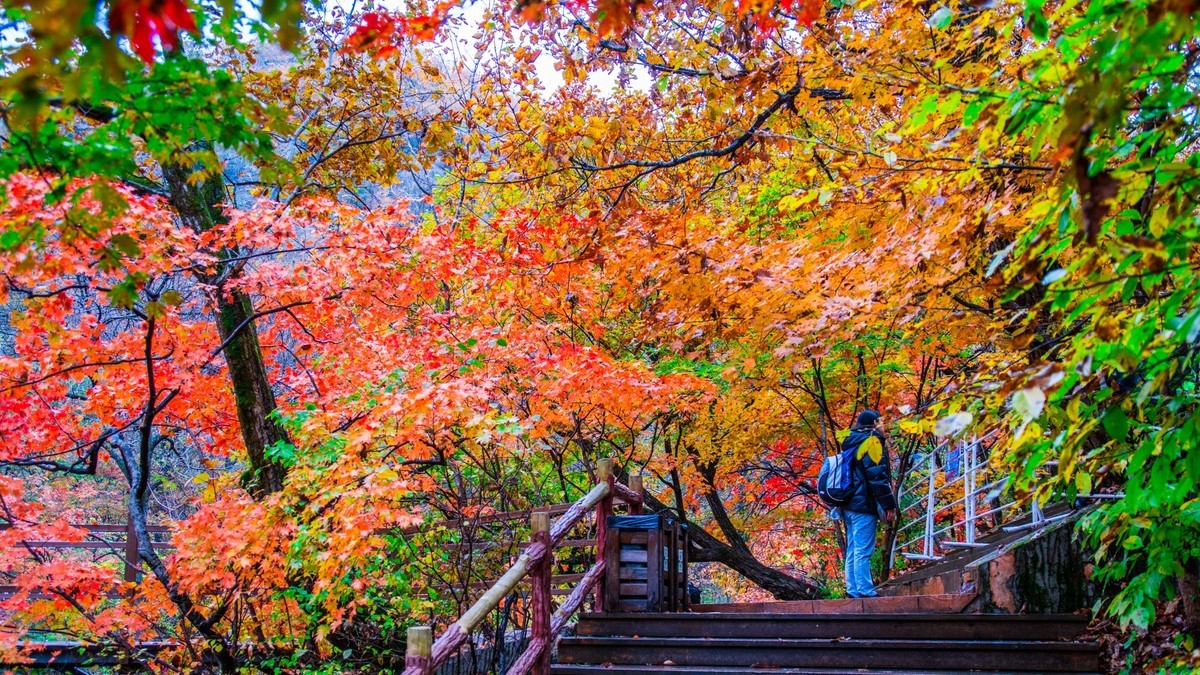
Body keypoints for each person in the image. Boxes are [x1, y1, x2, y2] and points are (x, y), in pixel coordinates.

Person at [840, 410, 898, 598]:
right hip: (863, 504)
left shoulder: (849, 442)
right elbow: (877, 477)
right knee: (863, 549)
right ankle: (865, 591)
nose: (883, 426)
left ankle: (853, 589)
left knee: (853, 548)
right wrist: (889, 504)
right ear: (874, 423)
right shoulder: (870, 443)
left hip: (847, 504)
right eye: (880, 422)